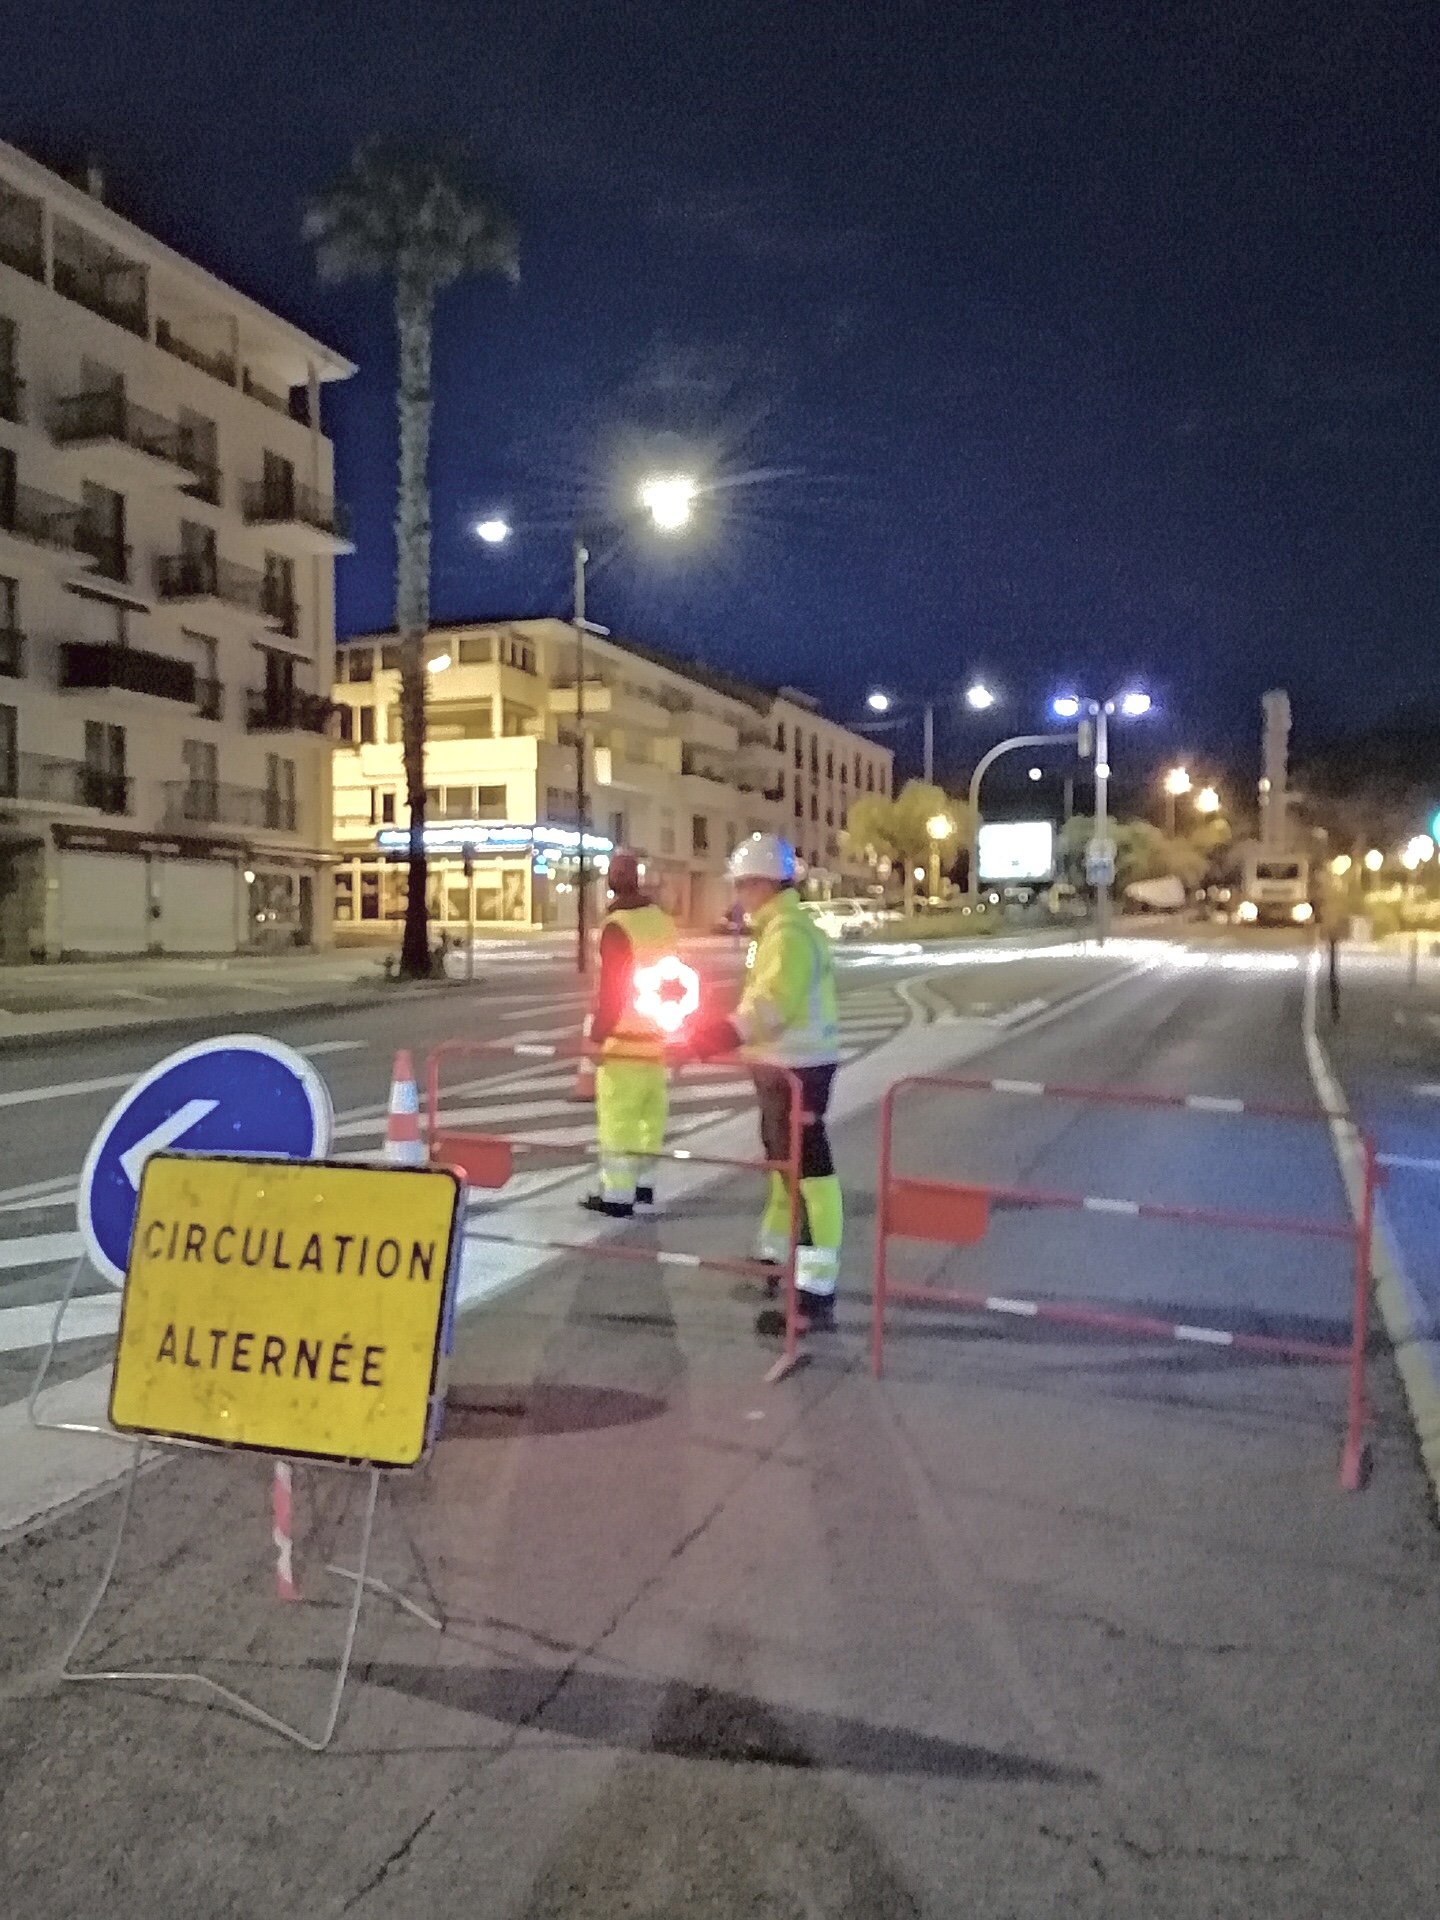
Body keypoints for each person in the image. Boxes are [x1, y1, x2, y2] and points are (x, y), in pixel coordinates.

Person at [679, 833, 843, 1335]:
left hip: (796, 1068)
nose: (739, 896)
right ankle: (775, 1260)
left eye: (743, 886)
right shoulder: (779, 928)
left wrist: (720, 1033)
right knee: (783, 1166)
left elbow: (773, 1005)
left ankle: (813, 1294)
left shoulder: (788, 934)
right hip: (785, 1065)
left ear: (762, 884)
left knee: (809, 1175)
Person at [582, 851, 678, 1219]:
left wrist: (596, 1036)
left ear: (616, 880)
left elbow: (613, 989)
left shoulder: (617, 926)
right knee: (649, 1117)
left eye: (614, 871)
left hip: (623, 1041)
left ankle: (618, 1196)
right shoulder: (663, 922)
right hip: (656, 1035)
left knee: (619, 1118)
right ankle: (644, 1185)